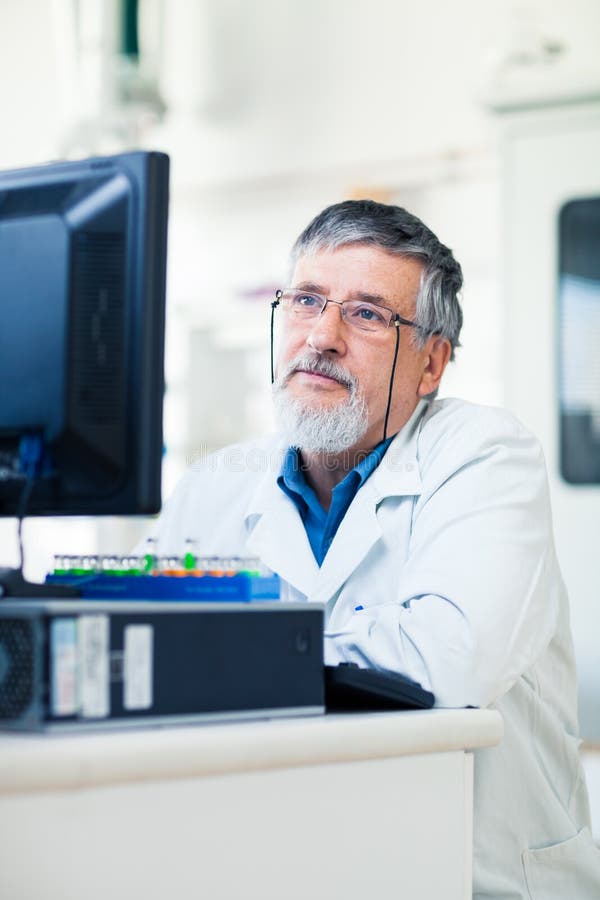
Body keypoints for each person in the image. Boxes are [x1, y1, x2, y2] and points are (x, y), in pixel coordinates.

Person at [147, 200, 600, 898]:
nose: (321, 337)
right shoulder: (214, 485)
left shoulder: (485, 454)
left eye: (366, 314)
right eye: (306, 300)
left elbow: (447, 662)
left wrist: (222, 648)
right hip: (287, 867)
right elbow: (134, 640)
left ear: (432, 363)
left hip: (480, 878)